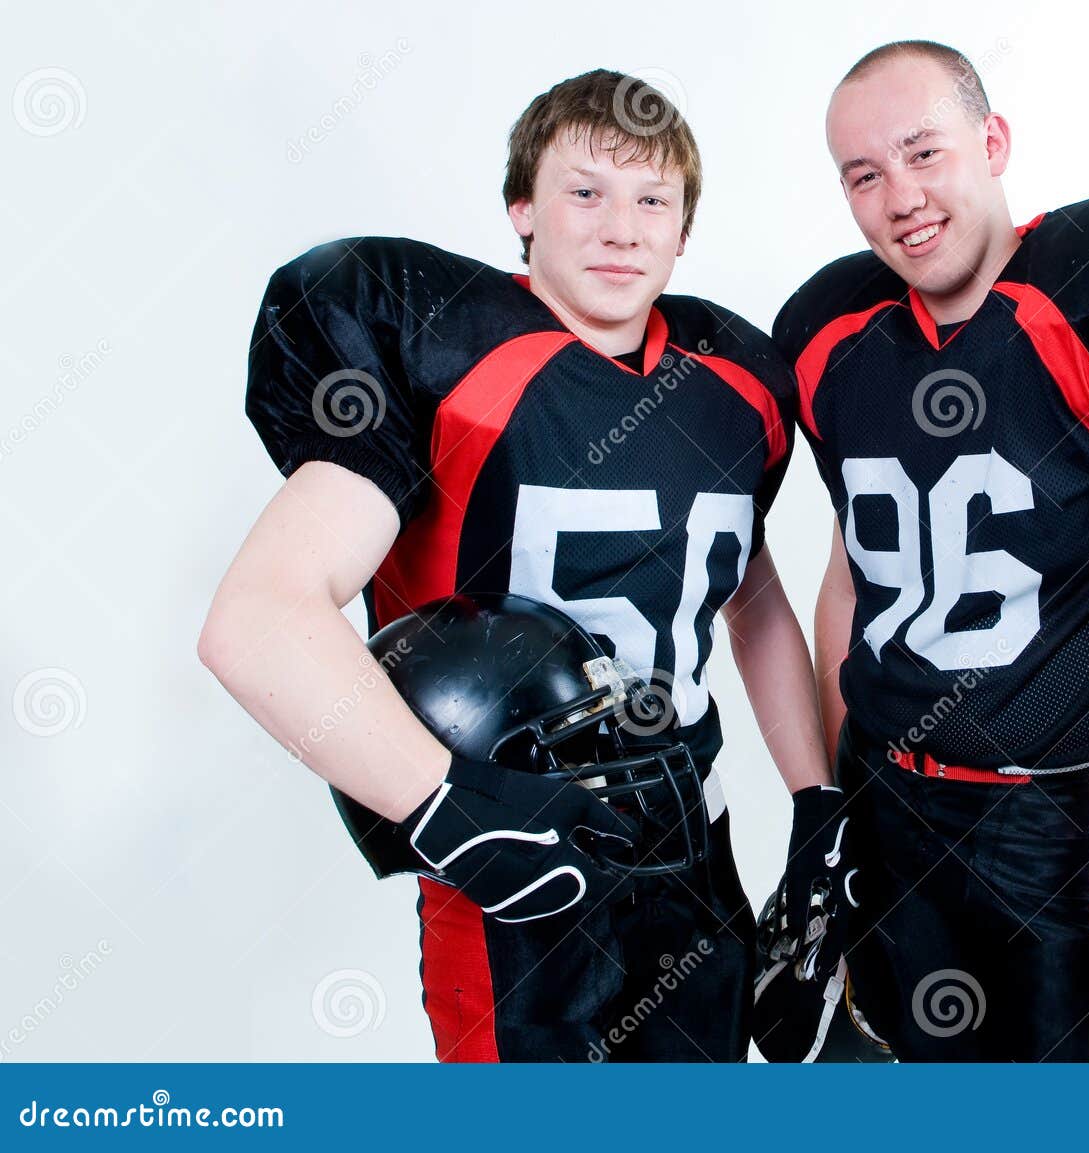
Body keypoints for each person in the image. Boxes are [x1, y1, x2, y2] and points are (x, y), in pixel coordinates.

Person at [199, 69, 848, 1062]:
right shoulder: (448, 356)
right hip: (516, 855)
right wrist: (446, 808)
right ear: (522, 210)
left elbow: (750, 603)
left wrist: (813, 800)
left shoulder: (735, 379)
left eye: (652, 200)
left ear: (684, 229)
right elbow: (258, 619)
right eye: (585, 192)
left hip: (693, 847)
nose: (620, 229)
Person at [774, 40, 1089, 1061]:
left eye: (923, 153)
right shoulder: (832, 331)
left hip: (1055, 821)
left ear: (993, 141)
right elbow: (850, 582)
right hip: (885, 798)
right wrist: (831, 799)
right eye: (864, 175)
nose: (900, 198)